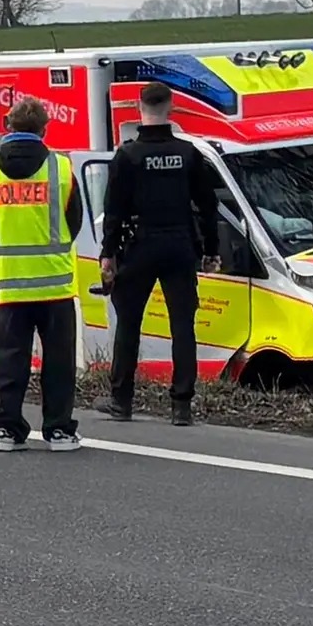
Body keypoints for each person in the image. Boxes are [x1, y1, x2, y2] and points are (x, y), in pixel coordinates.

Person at [94, 81, 222, 426]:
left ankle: (122, 401)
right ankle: (181, 406)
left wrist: (108, 253)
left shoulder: (128, 155)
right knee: (183, 325)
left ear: (140, 107)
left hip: (139, 246)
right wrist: (212, 250)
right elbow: (208, 206)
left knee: (129, 324)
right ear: (172, 106)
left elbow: (115, 210)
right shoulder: (188, 153)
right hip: (180, 245)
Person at [0, 96, 85, 453]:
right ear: (44, 129)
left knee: (10, 361)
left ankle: (6, 429)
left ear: (7, 127)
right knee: (59, 362)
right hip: (55, 285)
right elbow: (75, 221)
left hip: (8, 285)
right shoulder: (61, 169)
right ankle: (59, 431)